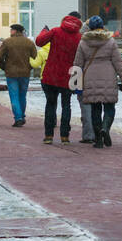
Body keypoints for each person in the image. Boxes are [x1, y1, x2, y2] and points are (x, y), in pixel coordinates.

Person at [74, 15, 122, 150]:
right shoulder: (110, 41)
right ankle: (105, 128)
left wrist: (75, 82)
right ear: (103, 26)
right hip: (108, 76)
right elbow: (118, 62)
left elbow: (78, 63)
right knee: (109, 107)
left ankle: (98, 139)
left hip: (90, 76)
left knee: (95, 109)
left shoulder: (83, 42)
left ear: (89, 27)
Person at [36, 12, 84, 144]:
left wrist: (43, 32)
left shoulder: (55, 31)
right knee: (66, 105)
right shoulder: (79, 37)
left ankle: (48, 135)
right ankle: (64, 136)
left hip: (51, 74)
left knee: (50, 104)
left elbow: (39, 42)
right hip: (68, 76)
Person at [0, 24, 38, 127]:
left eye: (11, 30)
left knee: (14, 96)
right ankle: (22, 116)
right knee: (22, 96)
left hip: (11, 74)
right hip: (25, 73)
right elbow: (35, 58)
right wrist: (29, 67)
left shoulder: (7, 42)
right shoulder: (29, 43)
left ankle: (18, 118)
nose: (10, 31)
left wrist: (4, 67)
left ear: (14, 31)